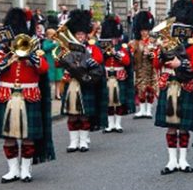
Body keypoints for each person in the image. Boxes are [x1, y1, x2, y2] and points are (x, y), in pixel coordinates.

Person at [0, 8, 54, 183]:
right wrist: (8, 57)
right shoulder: (3, 51)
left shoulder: (35, 51)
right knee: (9, 136)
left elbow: (43, 68)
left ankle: (26, 169)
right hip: (8, 95)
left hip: (28, 94)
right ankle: (13, 170)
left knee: (28, 136)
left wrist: (31, 57)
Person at [153, 0, 193, 174]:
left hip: (185, 85)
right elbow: (156, 64)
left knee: (184, 126)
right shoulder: (166, 41)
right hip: (169, 84)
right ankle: (171, 160)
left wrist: (180, 64)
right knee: (171, 125)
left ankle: (183, 160)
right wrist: (160, 56)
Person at [59, 9, 107, 153]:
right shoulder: (66, 48)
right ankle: (73, 141)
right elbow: (57, 63)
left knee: (84, 114)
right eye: (78, 34)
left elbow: (99, 59)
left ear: (86, 35)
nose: (80, 37)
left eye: (82, 34)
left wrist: (88, 61)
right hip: (71, 82)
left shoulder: (91, 47)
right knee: (73, 114)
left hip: (86, 82)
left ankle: (84, 141)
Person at [100, 15, 134, 133]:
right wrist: (106, 54)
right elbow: (99, 61)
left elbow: (127, 61)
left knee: (119, 101)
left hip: (119, 76)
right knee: (108, 102)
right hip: (107, 76)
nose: (113, 40)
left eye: (115, 38)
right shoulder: (102, 47)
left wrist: (116, 55)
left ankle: (118, 124)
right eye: (111, 38)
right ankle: (110, 124)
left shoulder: (122, 48)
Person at [130, 11, 157, 119]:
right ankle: (142, 109)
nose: (144, 33)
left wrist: (151, 54)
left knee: (150, 88)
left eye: (146, 30)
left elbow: (158, 54)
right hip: (140, 68)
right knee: (141, 88)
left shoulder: (153, 41)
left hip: (150, 68)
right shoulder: (135, 42)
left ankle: (148, 109)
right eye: (142, 30)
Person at [42, 28, 65, 100]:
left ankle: (57, 94)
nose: (53, 36)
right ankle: (49, 94)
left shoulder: (58, 41)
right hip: (50, 62)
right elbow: (45, 48)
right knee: (50, 80)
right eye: (51, 34)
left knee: (58, 79)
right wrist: (53, 44)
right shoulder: (46, 42)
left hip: (57, 62)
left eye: (54, 34)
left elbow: (62, 49)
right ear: (47, 35)